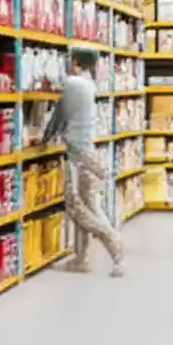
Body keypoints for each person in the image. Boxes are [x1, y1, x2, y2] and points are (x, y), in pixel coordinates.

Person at [42, 49, 125, 277]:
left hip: (78, 156)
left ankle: (114, 243)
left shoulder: (73, 85)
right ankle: (81, 258)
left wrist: (43, 141)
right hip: (88, 152)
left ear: (75, 61)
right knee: (88, 204)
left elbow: (59, 118)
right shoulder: (88, 85)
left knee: (77, 208)